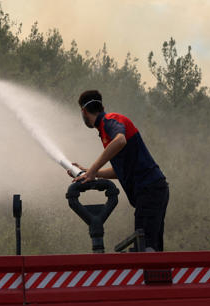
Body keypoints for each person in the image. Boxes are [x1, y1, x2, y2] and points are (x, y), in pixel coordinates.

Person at [70, 90, 169, 251]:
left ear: (84, 112)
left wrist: (93, 170)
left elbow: (120, 140)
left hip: (150, 189)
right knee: (149, 246)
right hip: (152, 190)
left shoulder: (110, 121)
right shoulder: (106, 129)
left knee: (146, 247)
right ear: (102, 106)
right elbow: (119, 171)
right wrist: (91, 172)